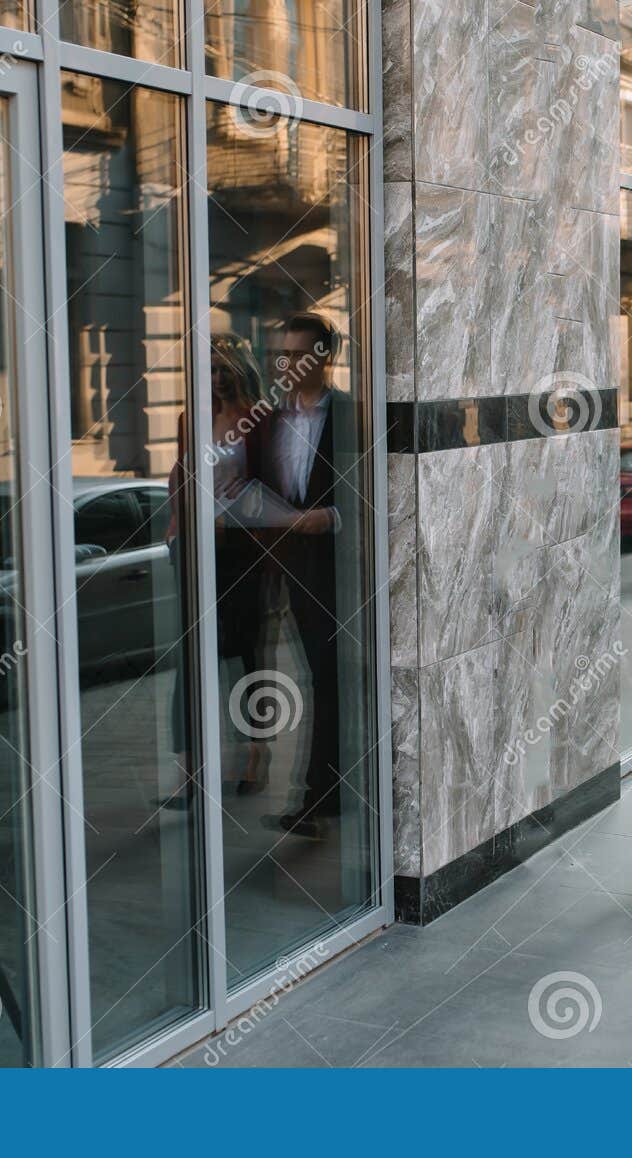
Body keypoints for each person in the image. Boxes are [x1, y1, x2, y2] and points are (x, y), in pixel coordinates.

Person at [251, 312, 346, 842]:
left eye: (299, 354)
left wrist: (329, 517)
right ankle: (321, 793)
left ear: (325, 357)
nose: (287, 364)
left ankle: (319, 796)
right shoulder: (268, 419)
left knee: (327, 681)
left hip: (332, 571)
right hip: (274, 566)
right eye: (282, 354)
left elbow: (375, 494)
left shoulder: (352, 416)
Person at [167, 332, 275, 796]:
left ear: (239, 369)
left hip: (243, 548)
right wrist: (178, 525)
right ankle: (191, 770)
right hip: (193, 547)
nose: (215, 378)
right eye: (207, 369)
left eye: (223, 368)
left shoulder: (259, 417)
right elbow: (180, 474)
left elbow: (273, 481)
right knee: (192, 654)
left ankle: (256, 754)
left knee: (248, 651)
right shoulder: (190, 418)